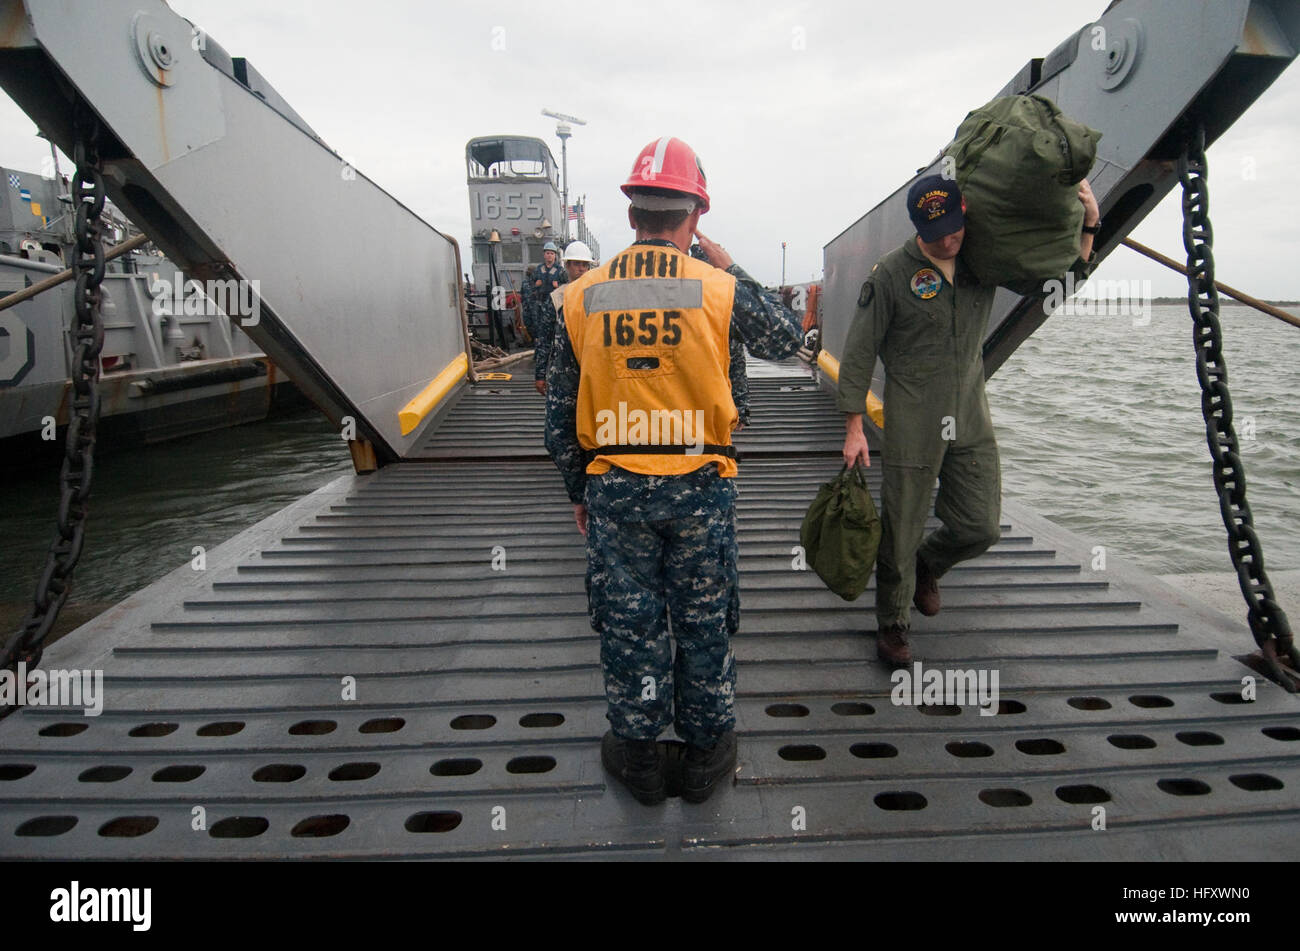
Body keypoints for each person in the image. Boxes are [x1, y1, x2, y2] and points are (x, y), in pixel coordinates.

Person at [544, 136, 803, 805]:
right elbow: (787, 337)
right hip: (699, 487)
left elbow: (560, 411)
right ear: (695, 216)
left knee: (630, 625)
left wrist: (580, 488)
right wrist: (731, 265)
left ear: (632, 215)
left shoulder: (581, 294)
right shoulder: (716, 290)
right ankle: (705, 754)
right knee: (703, 619)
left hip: (616, 484)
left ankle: (639, 757)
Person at [836, 173, 1099, 667]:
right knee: (901, 525)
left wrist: (1088, 226)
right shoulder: (891, 274)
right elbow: (859, 350)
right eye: (937, 233)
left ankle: (928, 564)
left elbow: (1054, 283)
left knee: (981, 526)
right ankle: (893, 624)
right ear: (917, 227)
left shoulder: (983, 260)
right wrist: (853, 427)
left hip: (970, 411)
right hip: (915, 414)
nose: (949, 239)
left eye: (955, 228)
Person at [691, 242, 751, 429]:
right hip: (713, 400)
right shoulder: (723, 301)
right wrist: (741, 409)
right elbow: (736, 363)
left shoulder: (676, 298)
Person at [534, 240, 596, 395]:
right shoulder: (557, 298)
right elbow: (545, 338)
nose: (581, 269)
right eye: (576, 264)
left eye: (585, 264)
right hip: (562, 374)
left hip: (591, 370)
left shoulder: (598, 296)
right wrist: (540, 374)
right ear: (567, 266)